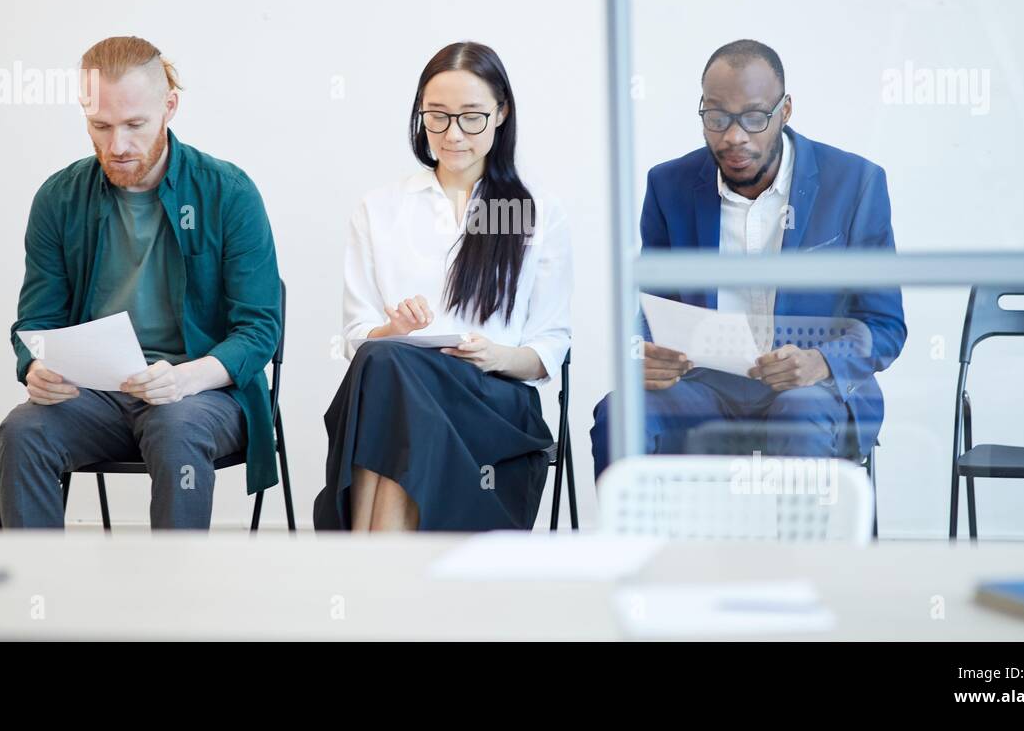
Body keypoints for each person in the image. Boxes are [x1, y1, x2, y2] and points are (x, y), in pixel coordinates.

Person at [0, 36, 282, 529]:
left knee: (177, 429)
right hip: (95, 396)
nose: (117, 146)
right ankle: (36, 598)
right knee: (23, 432)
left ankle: (173, 600)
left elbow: (259, 330)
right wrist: (35, 364)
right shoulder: (60, 198)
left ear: (169, 107)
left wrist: (185, 378)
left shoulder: (228, 192)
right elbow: (38, 320)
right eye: (99, 126)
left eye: (134, 125)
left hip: (202, 393)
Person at [591, 39, 906, 477]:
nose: (734, 136)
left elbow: (885, 326)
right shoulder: (670, 186)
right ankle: (647, 547)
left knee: (797, 416)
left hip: (814, 388)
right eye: (717, 117)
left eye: (755, 118)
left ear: (786, 110)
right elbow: (650, 308)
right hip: (705, 387)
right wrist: (642, 352)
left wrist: (821, 362)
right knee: (620, 416)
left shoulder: (855, 184)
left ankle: (798, 550)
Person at [314, 41, 572, 532]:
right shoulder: (380, 208)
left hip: (492, 399)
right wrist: (392, 327)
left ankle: (369, 566)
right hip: (395, 394)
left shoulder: (535, 211)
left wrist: (493, 354)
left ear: (501, 113)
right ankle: (388, 564)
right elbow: (356, 338)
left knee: (389, 376)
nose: (452, 135)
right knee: (388, 364)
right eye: (437, 117)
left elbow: (549, 345)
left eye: (472, 117)